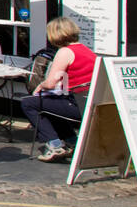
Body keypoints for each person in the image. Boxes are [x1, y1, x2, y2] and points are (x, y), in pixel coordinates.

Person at [20, 16, 97, 161]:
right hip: (90, 102)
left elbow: (50, 83)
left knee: (28, 103)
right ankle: (71, 141)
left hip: (78, 104)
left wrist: (40, 86)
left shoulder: (65, 52)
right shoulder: (86, 50)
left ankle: (54, 145)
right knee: (51, 103)